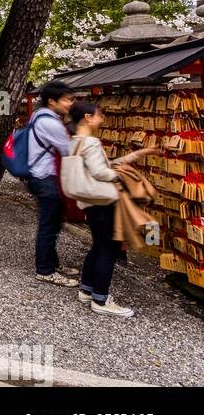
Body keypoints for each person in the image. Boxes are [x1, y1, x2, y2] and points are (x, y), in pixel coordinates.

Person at [68, 101, 160, 318]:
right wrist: (122, 177)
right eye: (99, 115)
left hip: (90, 202)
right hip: (103, 201)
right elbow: (101, 172)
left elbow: (99, 166)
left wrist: (133, 157)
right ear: (88, 117)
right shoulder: (90, 142)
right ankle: (101, 299)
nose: (101, 119)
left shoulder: (75, 142)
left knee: (99, 245)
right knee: (109, 249)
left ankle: (86, 289)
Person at [26, 80, 79, 287]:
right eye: (66, 99)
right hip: (44, 176)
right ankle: (44, 270)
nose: (69, 104)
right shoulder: (50, 122)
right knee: (49, 225)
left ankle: (52, 262)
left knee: (53, 221)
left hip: (39, 175)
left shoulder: (38, 116)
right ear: (52, 101)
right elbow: (68, 150)